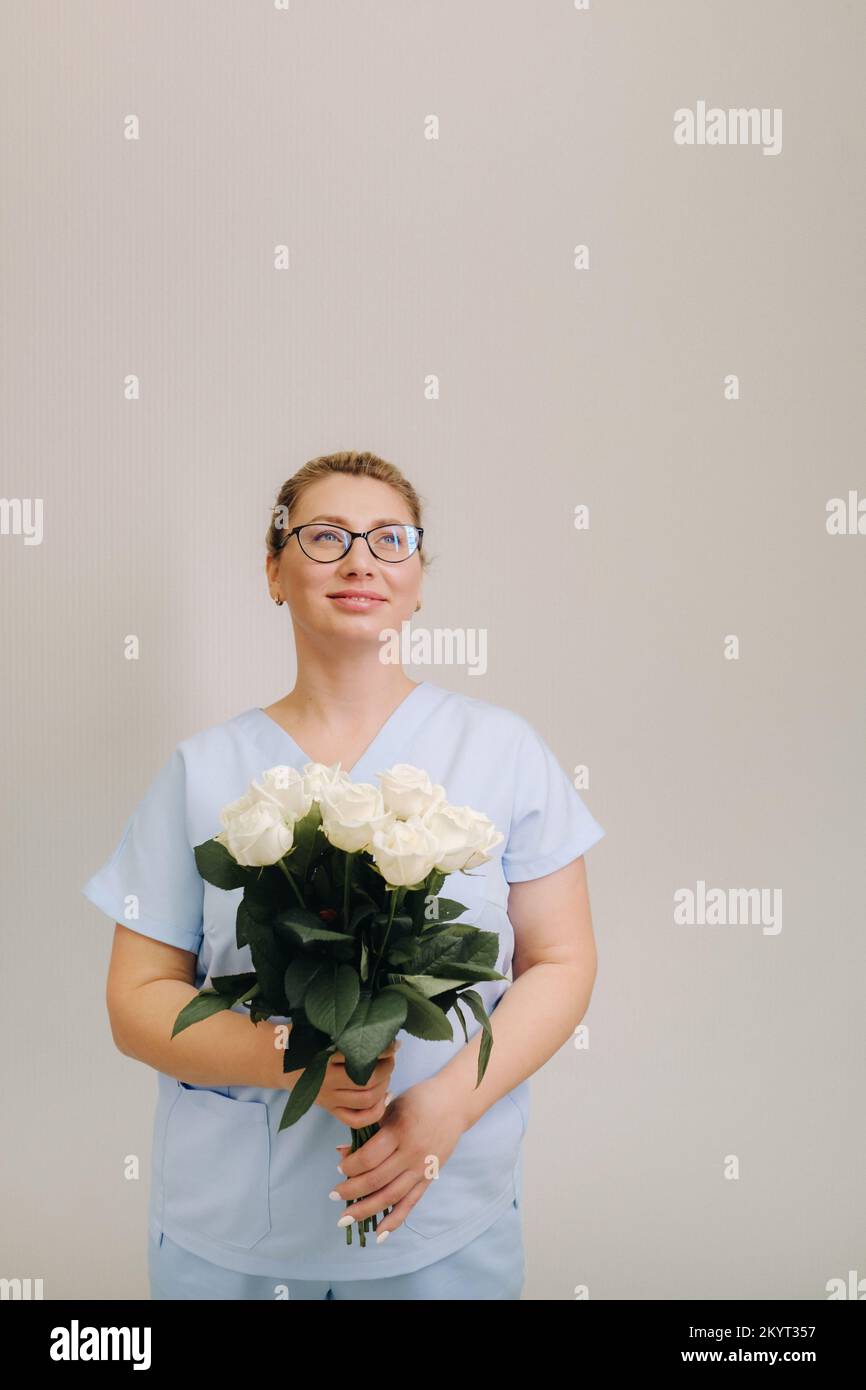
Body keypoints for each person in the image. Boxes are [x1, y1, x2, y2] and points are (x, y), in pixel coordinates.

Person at [81, 449, 606, 1300]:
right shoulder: (202, 771)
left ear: (419, 579)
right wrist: (292, 1059)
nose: (360, 558)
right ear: (274, 572)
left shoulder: (503, 752)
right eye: (325, 536)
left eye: (389, 539)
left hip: (439, 1218)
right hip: (235, 1229)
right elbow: (137, 1000)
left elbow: (563, 963)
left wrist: (450, 1107)